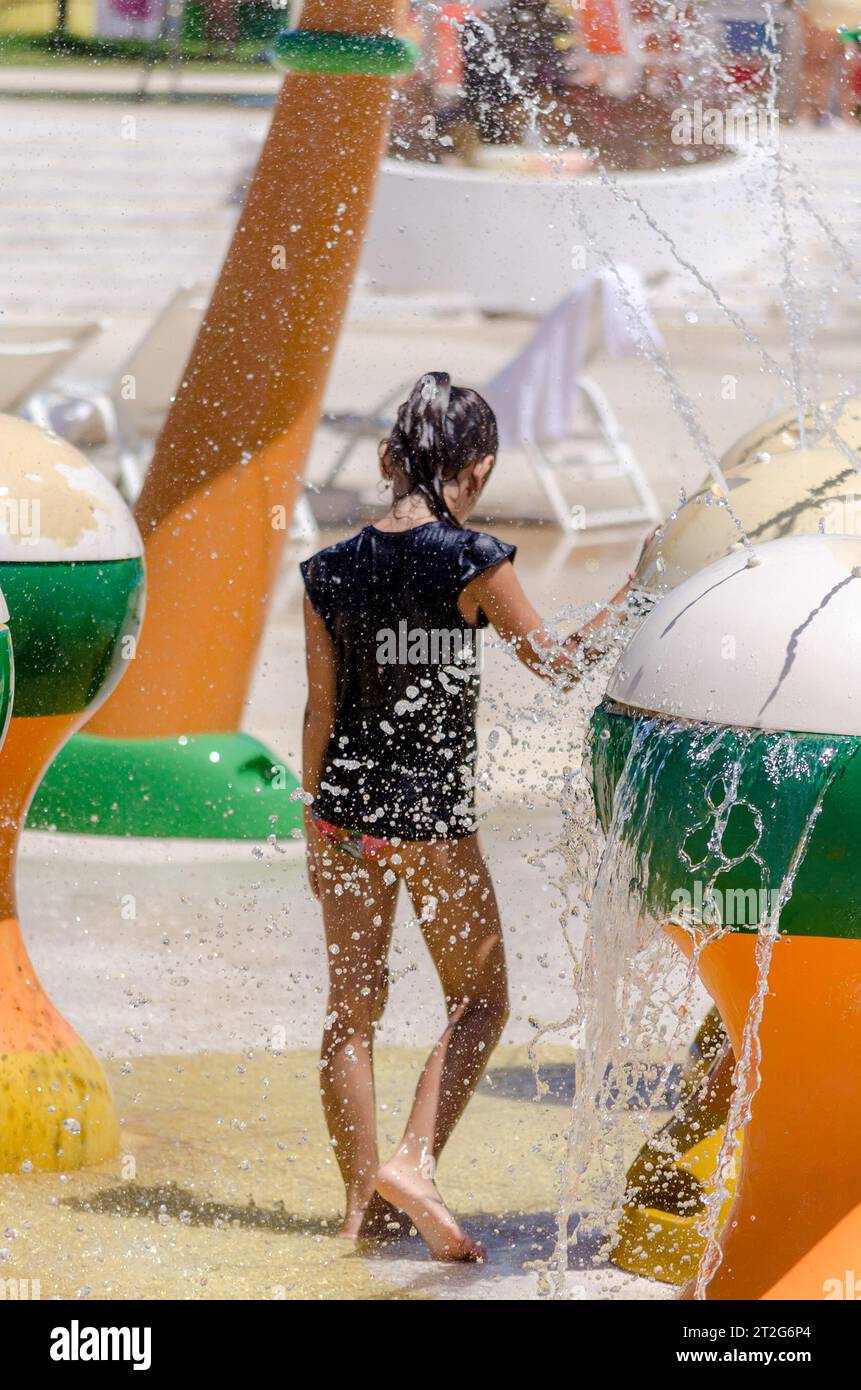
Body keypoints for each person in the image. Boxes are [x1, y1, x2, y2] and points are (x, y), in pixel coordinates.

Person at [301, 371, 647, 1262]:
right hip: (430, 822)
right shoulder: (471, 559)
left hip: (342, 814)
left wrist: (314, 818)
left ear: (385, 460)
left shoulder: (324, 571)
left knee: (350, 1015)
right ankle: (411, 1162)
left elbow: (318, 709)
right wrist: (637, 590)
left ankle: (359, 1216)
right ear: (480, 469)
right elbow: (560, 665)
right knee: (482, 1002)